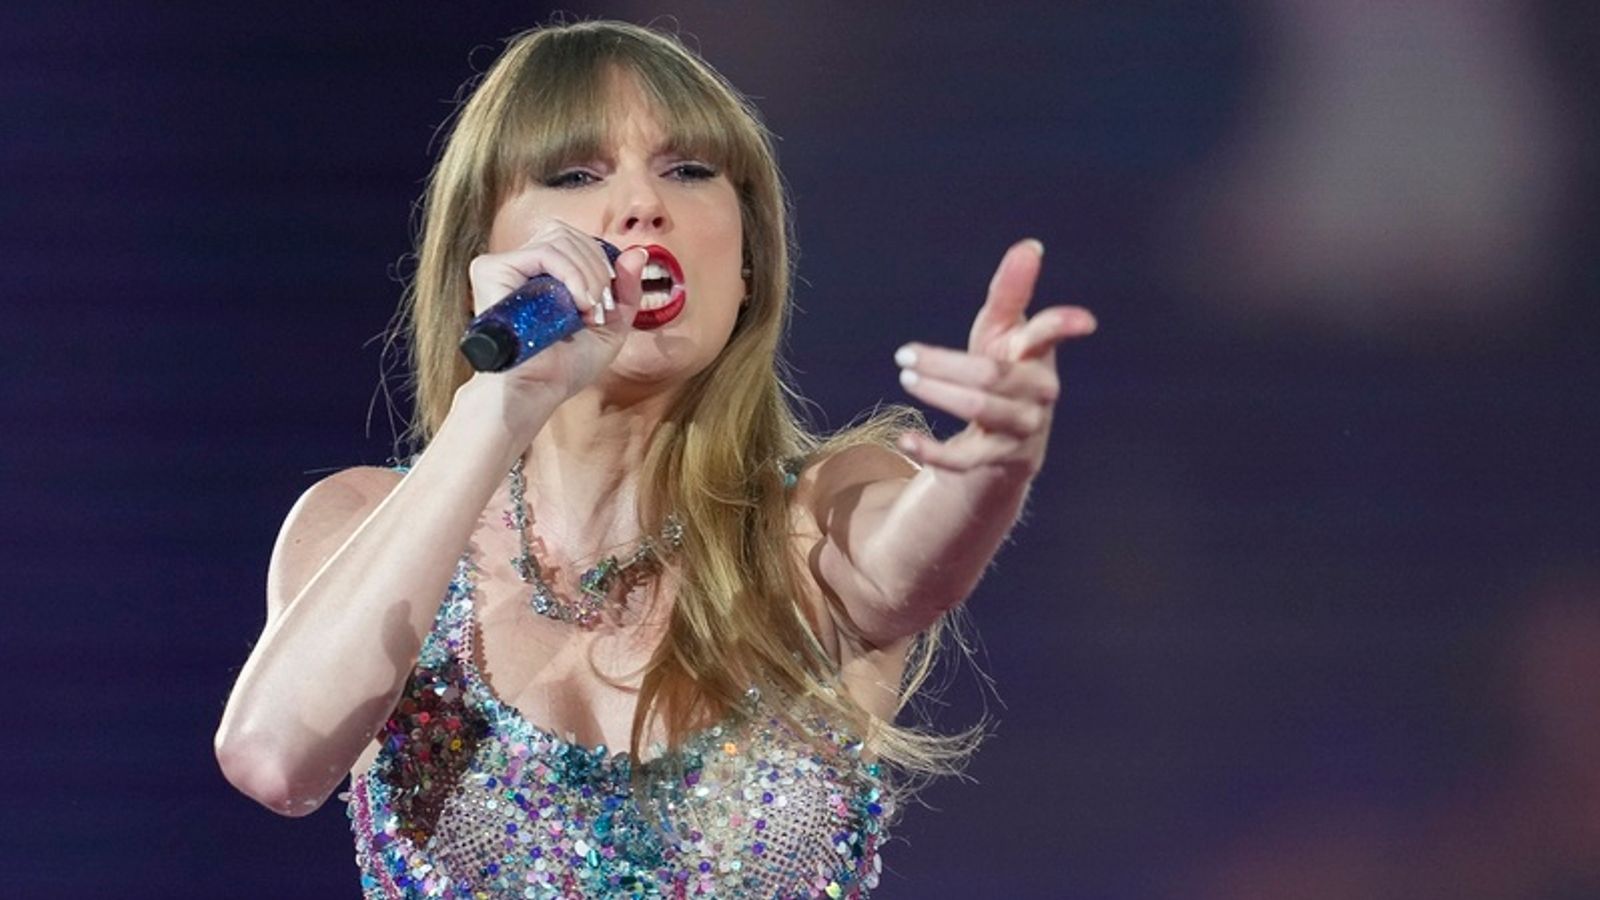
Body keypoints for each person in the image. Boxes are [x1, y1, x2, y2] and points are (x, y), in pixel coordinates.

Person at [215, 19, 1095, 900]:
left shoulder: (821, 515)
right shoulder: (360, 524)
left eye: (687, 171)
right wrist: (500, 401)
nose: (643, 206)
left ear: (748, 261)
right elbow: (275, 759)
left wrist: (993, 463)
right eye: (576, 175)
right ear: (481, 257)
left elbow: (918, 553)